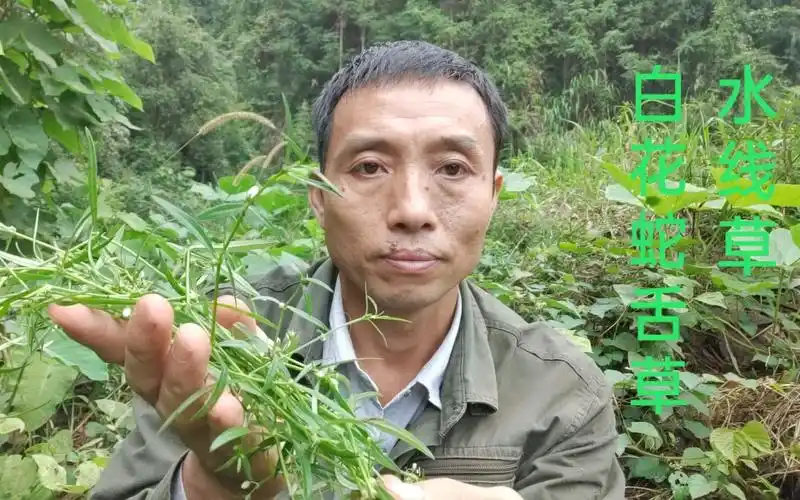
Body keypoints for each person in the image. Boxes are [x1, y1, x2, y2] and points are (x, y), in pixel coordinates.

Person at [49, 40, 626, 500]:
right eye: (370, 166)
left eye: (452, 168)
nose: (412, 211)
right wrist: (213, 486)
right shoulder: (223, 341)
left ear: (494, 195)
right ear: (318, 197)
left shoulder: (560, 393)